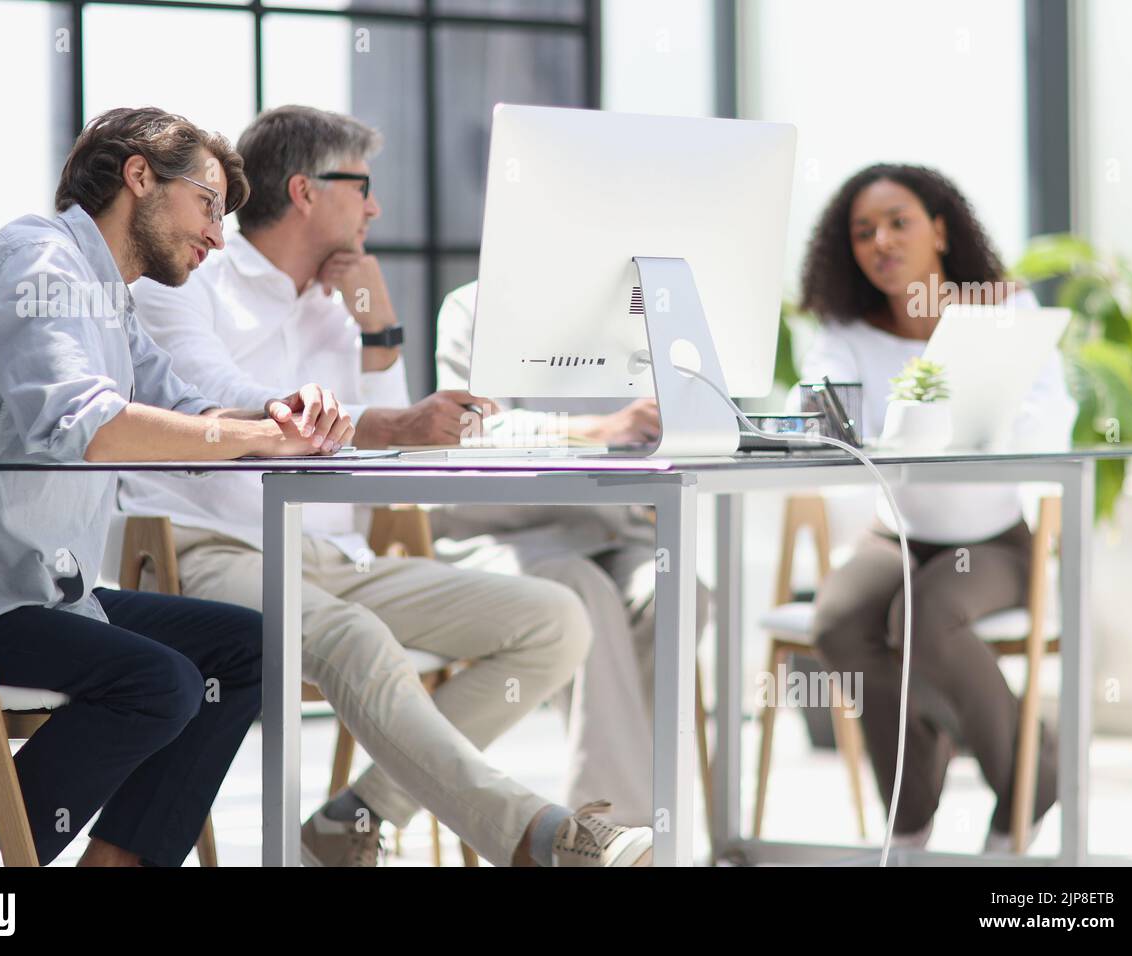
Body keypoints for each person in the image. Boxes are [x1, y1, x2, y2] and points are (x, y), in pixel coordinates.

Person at [117, 105, 653, 867]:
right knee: (356, 638)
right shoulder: (192, 279)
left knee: (555, 618)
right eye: (360, 187)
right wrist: (396, 423)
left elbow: (402, 457)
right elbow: (222, 404)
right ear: (304, 191)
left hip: (335, 557)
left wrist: (380, 327)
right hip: (209, 553)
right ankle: (537, 835)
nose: (374, 207)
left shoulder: (343, 307)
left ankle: (353, 822)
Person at [0, 107, 358, 867]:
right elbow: (85, 424)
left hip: (35, 599)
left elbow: (186, 409)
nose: (216, 237)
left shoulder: (106, 298)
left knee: (251, 648)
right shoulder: (37, 261)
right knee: (159, 683)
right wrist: (254, 436)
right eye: (207, 204)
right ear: (139, 176)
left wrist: (278, 416)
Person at [798, 162, 1076, 851]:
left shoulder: (1004, 312)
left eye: (900, 223)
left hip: (994, 541)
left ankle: (1030, 784)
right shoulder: (847, 331)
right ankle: (913, 802)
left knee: (926, 619)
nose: (882, 242)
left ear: (941, 230)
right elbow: (825, 414)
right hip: (897, 534)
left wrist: (984, 418)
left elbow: (1051, 418)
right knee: (838, 620)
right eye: (864, 233)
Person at [434, 280, 711, 826]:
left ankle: (638, 826)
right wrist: (599, 430)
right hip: (501, 538)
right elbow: (471, 424)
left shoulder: (633, 312)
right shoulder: (474, 306)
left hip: (609, 531)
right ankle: (610, 829)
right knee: (582, 593)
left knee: (676, 591)